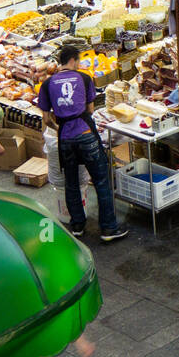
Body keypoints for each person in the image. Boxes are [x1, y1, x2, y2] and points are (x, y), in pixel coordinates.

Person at [36, 45, 129, 243]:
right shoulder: (84, 78)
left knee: (71, 181)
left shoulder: (47, 84)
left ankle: (77, 226)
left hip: (66, 139)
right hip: (85, 133)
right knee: (101, 180)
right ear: (74, 60)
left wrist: (59, 126)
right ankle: (108, 228)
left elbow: (45, 119)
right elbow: (90, 109)